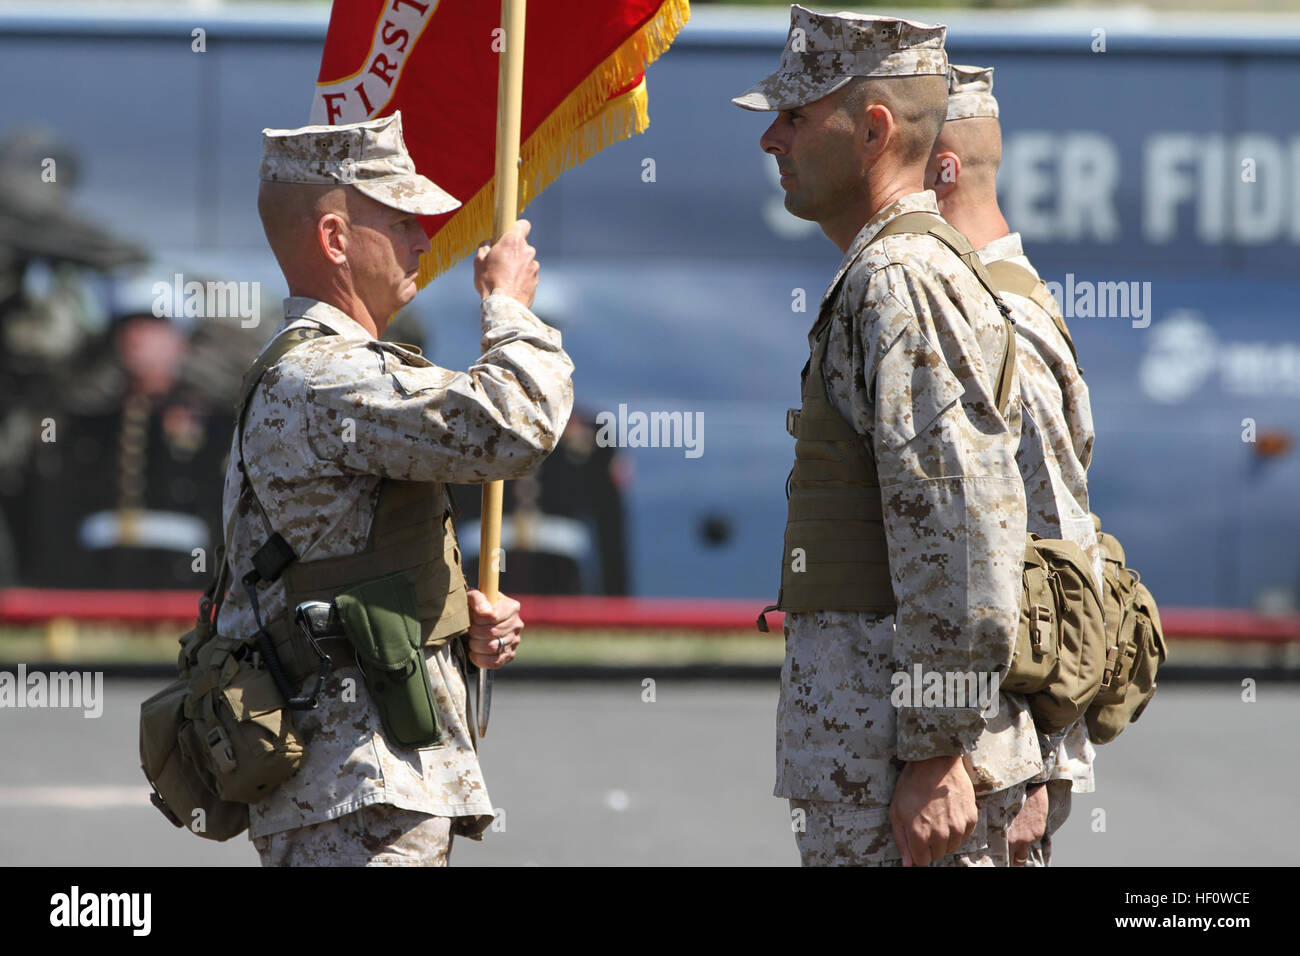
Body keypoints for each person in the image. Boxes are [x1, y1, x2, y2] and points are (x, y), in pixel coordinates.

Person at [216, 111, 574, 866]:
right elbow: (514, 425)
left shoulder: (315, 369)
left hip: (358, 777)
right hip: (357, 780)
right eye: (402, 220)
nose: (424, 240)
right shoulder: (329, 375)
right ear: (336, 239)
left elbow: (341, 569)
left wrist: (444, 611)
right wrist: (509, 309)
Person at [734, 6, 1035, 866]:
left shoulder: (901, 279)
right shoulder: (885, 271)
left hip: (908, 775)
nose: (771, 141)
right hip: (877, 765)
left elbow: (959, 529)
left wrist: (938, 750)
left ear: (872, 129)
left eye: (793, 117)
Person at [926, 64, 1103, 866]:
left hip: (1006, 761)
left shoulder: (1001, 315)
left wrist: (1048, 768)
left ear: (942, 168)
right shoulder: (979, 294)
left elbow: (1057, 549)